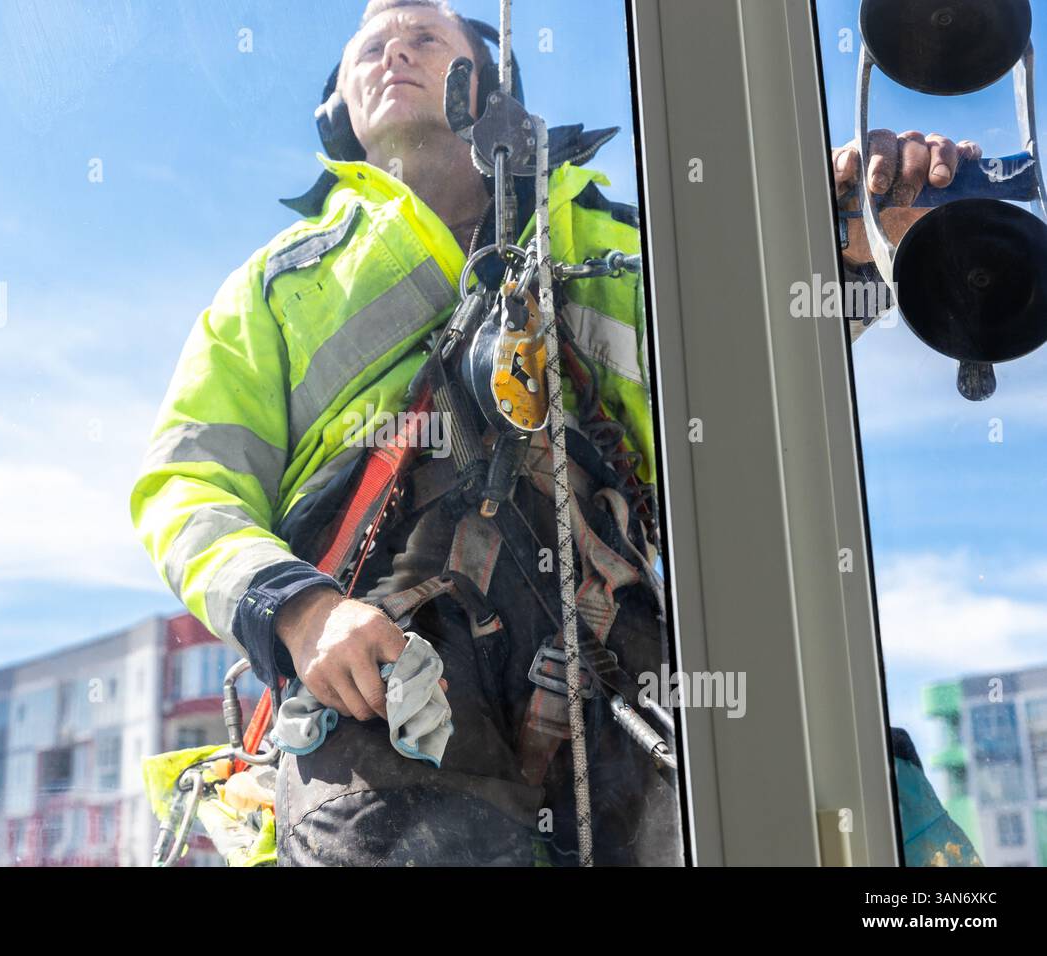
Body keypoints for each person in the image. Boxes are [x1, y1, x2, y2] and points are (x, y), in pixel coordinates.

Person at [131, 0, 979, 865]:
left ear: (488, 81)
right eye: (370, 48)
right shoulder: (274, 285)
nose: (394, 55)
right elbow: (188, 483)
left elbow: (744, 386)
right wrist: (298, 611)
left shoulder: (616, 241)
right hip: (379, 660)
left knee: (838, 814)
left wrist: (848, 250)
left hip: (616, 647)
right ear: (336, 108)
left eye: (424, 38)